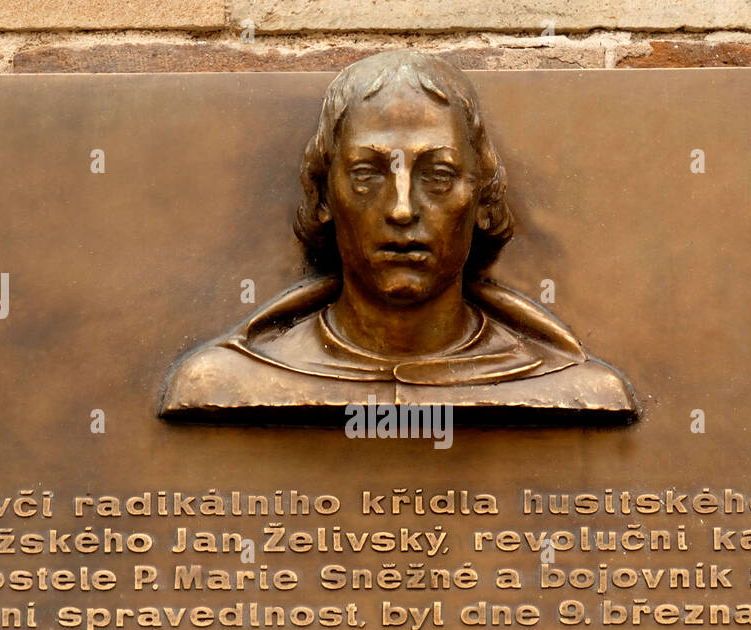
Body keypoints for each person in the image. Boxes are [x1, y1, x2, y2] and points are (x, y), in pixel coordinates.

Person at [159, 50, 638, 421]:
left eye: (438, 175)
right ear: (323, 196)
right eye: (368, 174)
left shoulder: (577, 391)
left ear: (483, 200)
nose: (402, 208)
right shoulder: (222, 386)